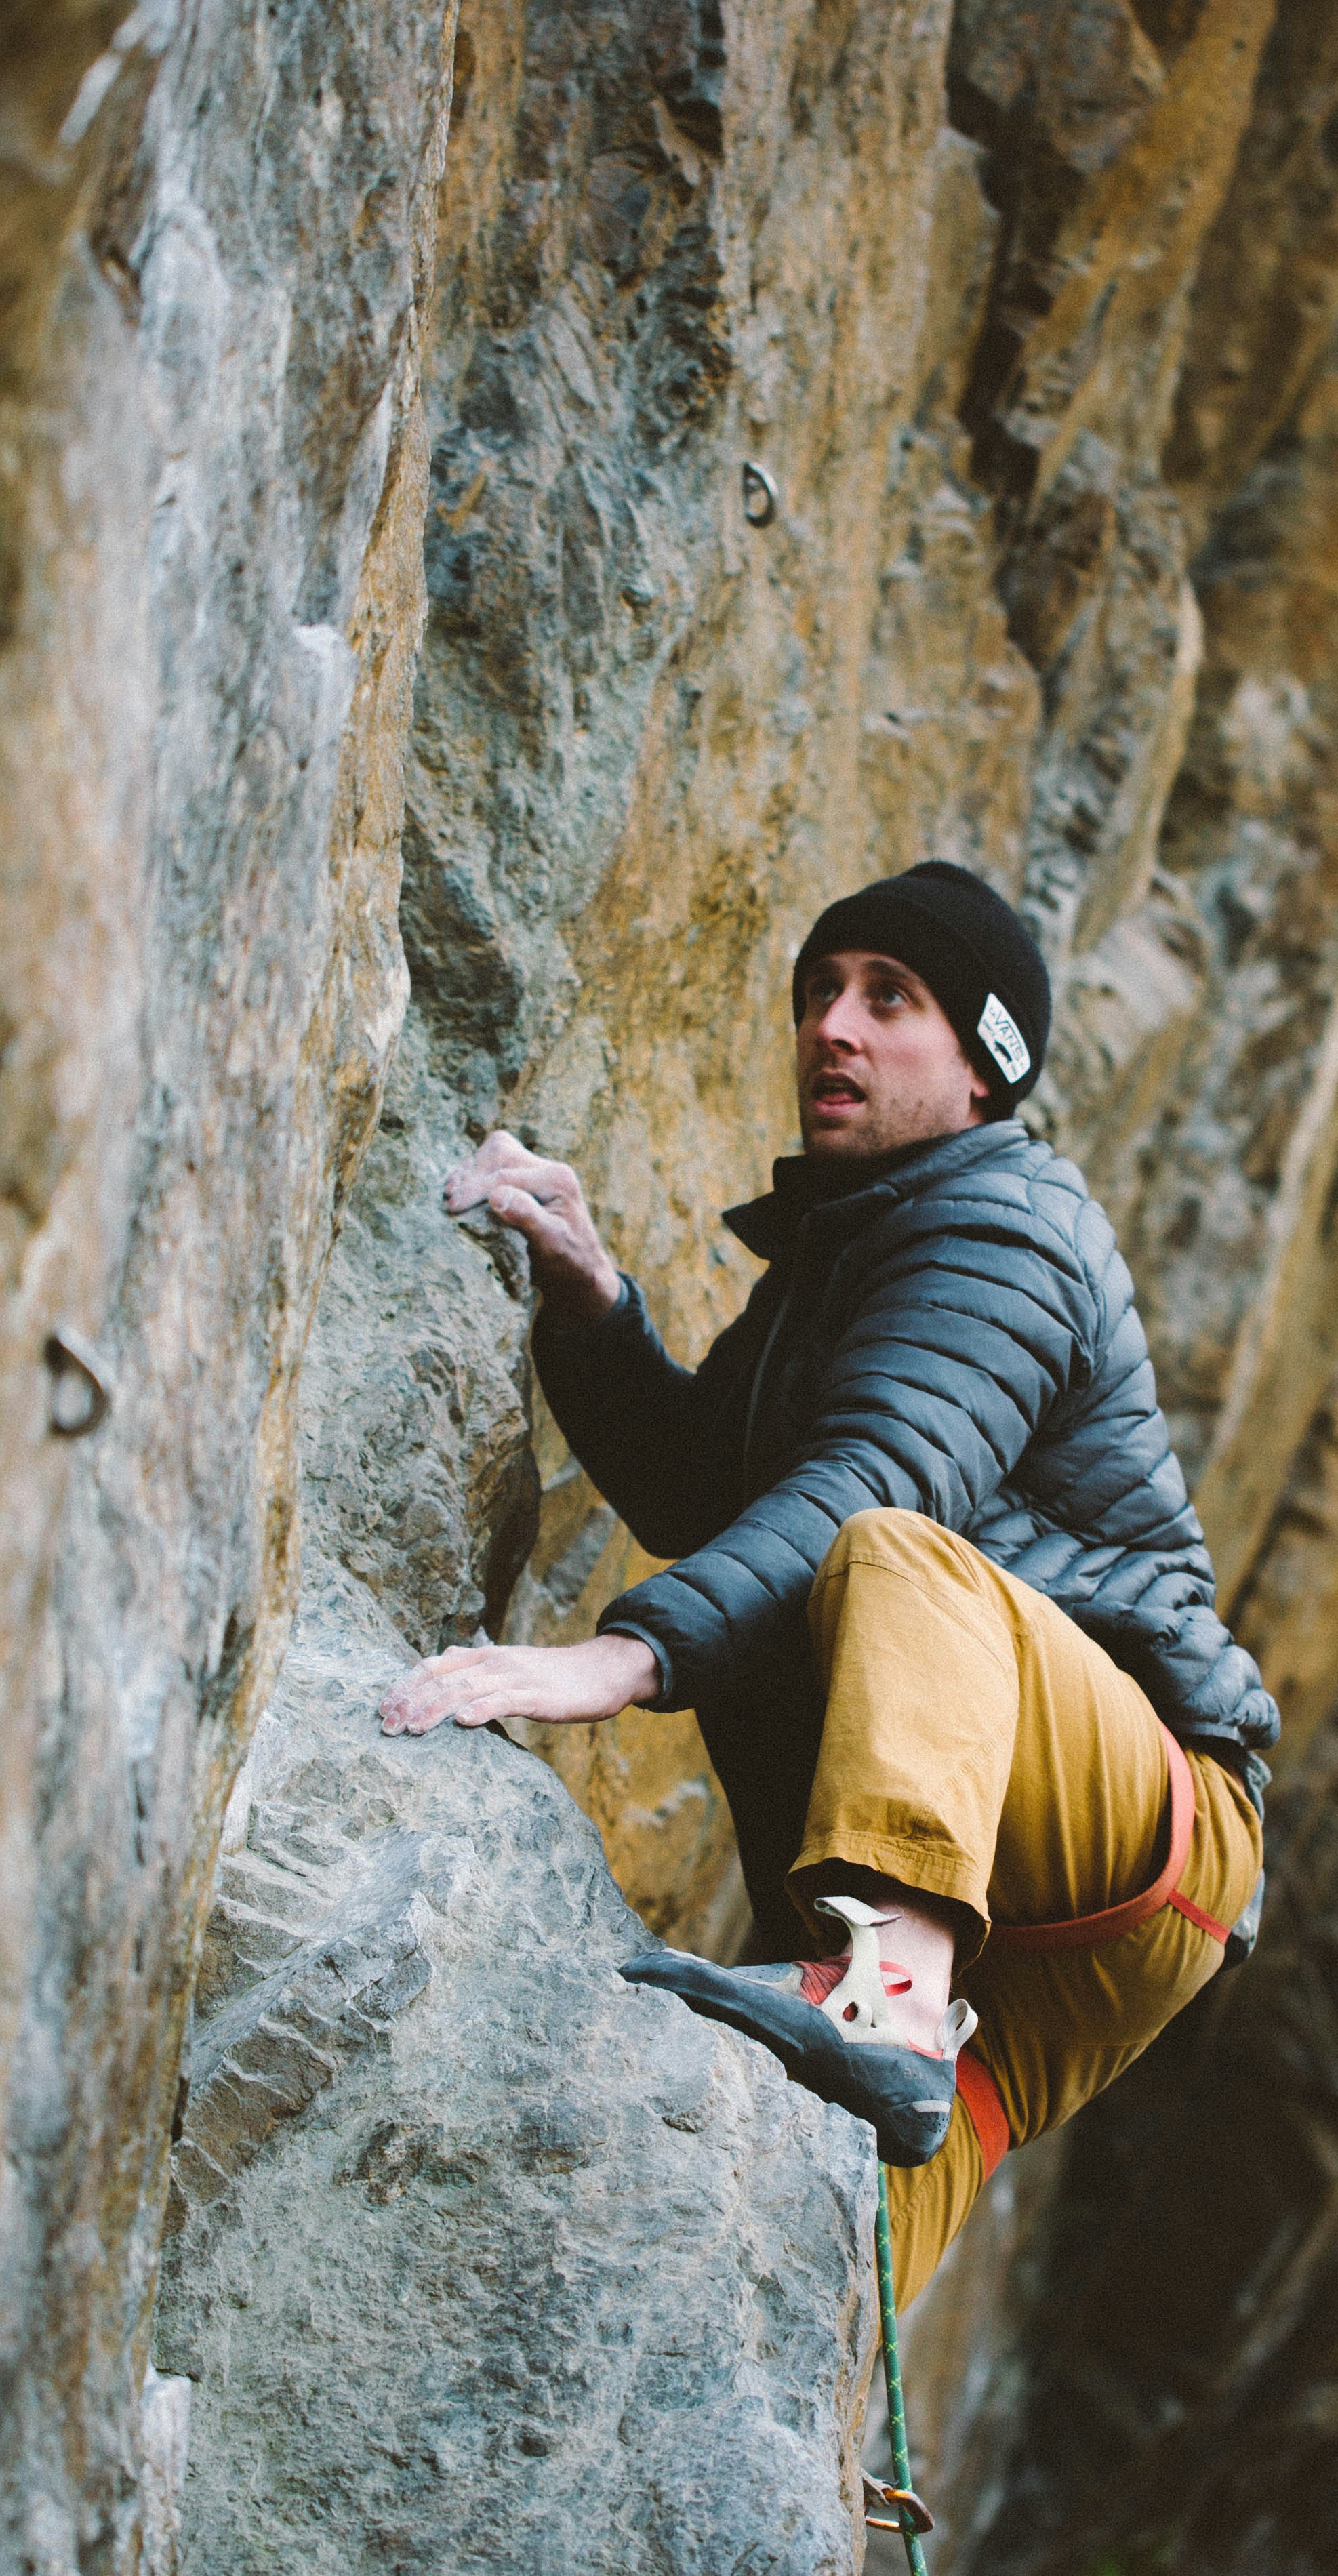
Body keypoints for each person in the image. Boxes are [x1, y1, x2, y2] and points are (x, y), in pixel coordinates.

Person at [379, 861, 1276, 2304]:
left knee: (893, 1549)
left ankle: (892, 1991)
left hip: (1128, 1827)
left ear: (981, 1066)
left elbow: (873, 1484)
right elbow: (704, 1498)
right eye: (817, 991)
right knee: (804, 2271)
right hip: (1013, 1934)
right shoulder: (846, 1251)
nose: (831, 1026)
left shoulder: (1007, 1231)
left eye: (888, 997)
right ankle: (887, 2055)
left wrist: (616, 1661)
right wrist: (591, 1298)